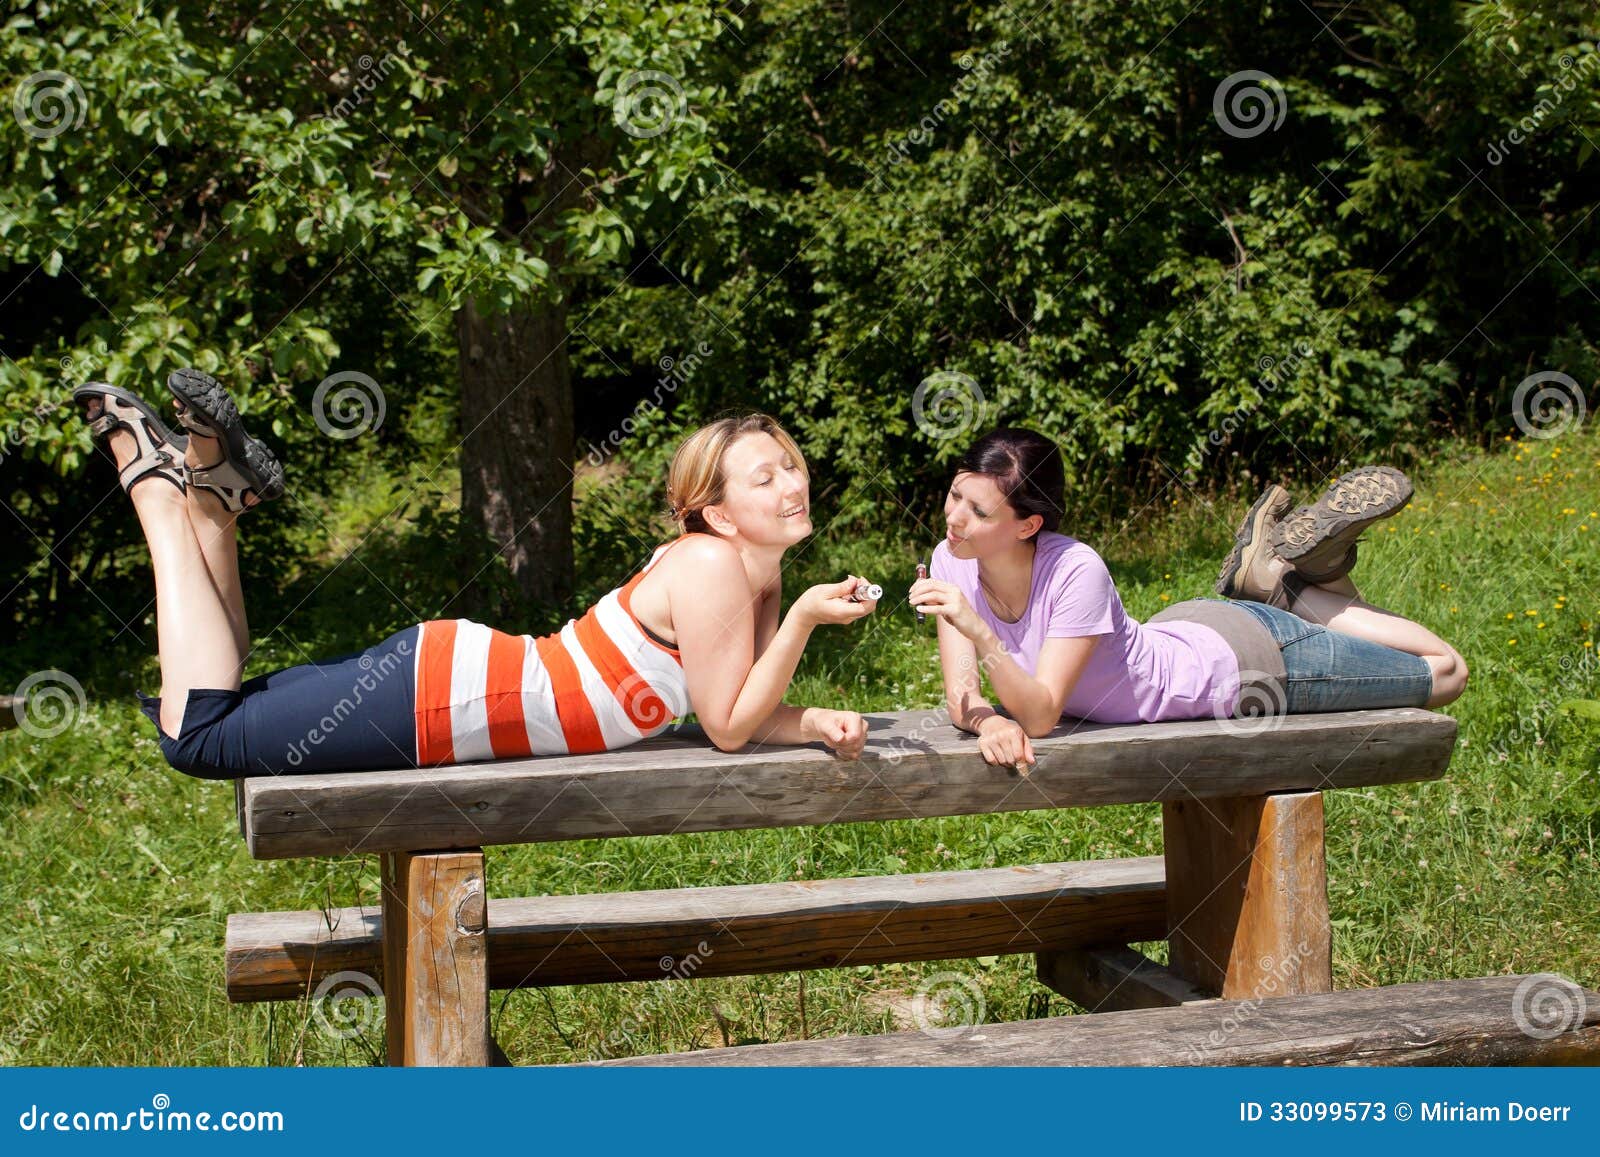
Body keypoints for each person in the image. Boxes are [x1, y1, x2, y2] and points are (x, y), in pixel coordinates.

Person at [73, 371, 875, 778]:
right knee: (200, 739)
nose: (792, 482)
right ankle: (151, 486)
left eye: (789, 466)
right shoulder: (710, 565)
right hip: (444, 698)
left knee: (223, 698)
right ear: (722, 512)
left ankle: (213, 508)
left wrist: (811, 722)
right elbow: (731, 728)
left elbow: (728, 707)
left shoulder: (749, 577)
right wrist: (804, 618)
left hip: (452, 682)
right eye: (763, 477)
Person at [908, 428, 1467, 769]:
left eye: (978, 511)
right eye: (956, 494)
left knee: (1447, 672)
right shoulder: (952, 556)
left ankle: (1290, 591)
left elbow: (1042, 714)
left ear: (1028, 525)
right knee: (1429, 667)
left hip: (1250, 666)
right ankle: (1285, 584)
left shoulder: (1076, 570)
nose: (954, 517)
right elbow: (963, 694)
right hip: (1186, 630)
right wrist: (988, 723)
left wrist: (979, 632)